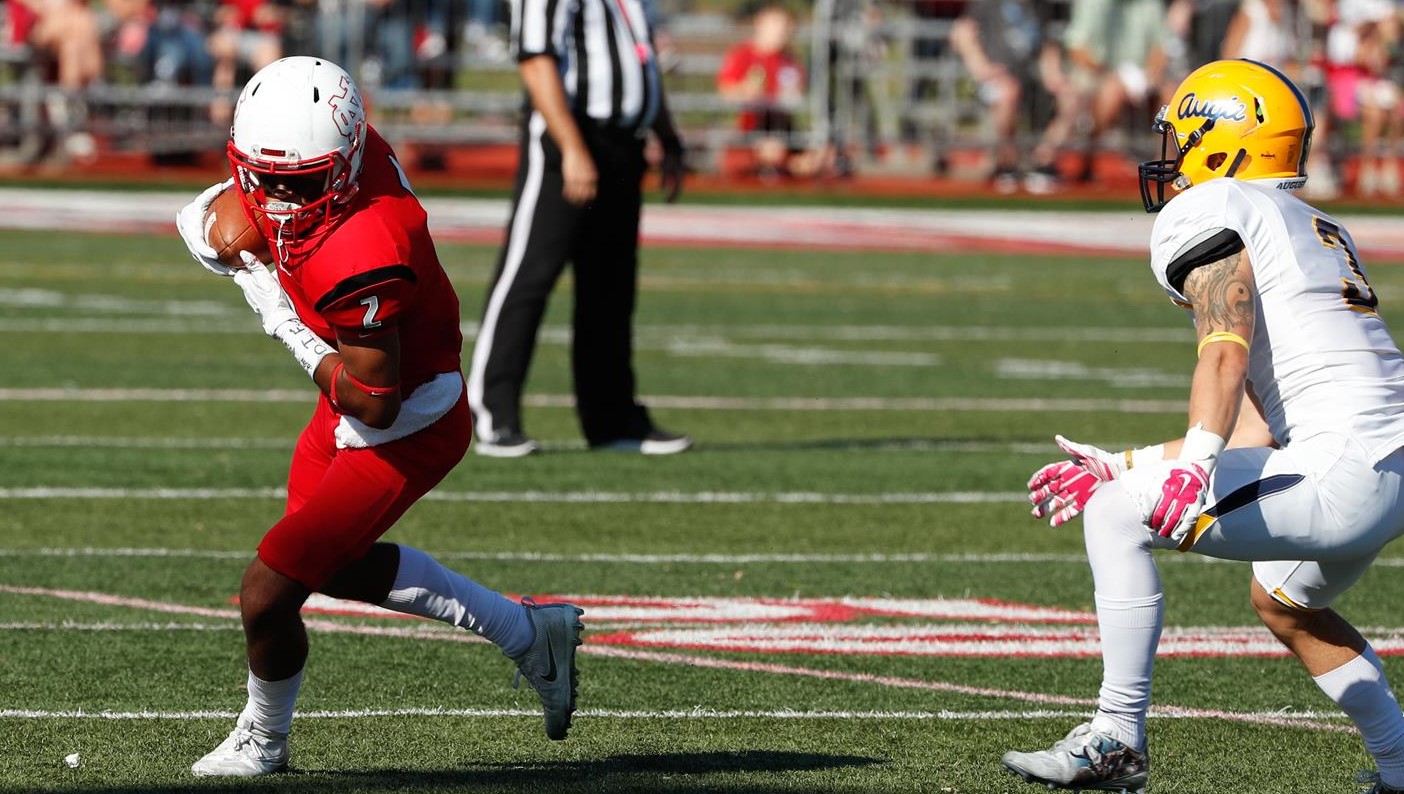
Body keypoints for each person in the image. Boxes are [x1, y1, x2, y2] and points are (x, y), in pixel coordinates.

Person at [173, 56, 583, 776]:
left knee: (267, 592)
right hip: (364, 401)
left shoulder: (365, 246)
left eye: (293, 185)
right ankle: (527, 631)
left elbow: (372, 398)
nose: (272, 201)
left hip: (408, 422)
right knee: (327, 568)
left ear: (341, 161)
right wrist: (217, 221)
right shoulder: (327, 153)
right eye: (257, 177)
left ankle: (263, 740)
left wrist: (280, 319)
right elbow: (225, 213)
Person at [1005, 58, 1404, 794]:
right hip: (1387, 466)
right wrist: (1123, 462)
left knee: (1115, 517)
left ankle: (1116, 738)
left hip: (1342, 469)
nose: (1173, 156)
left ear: (1223, 143)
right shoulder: (1312, 222)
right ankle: (1403, 764)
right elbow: (1257, 423)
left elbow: (1225, 354)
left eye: (1184, 136)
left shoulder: (1213, 207)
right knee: (1285, 600)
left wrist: (1182, 468)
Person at [466, 0, 691, 457]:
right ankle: (492, 410)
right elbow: (535, 58)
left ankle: (612, 418)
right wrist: (570, 146)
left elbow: (641, 58)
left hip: (623, 142)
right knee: (529, 275)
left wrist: (667, 135)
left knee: (611, 286)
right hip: (565, 137)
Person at [949, 0, 1078, 194]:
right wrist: (982, 68)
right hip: (994, 78)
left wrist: (1055, 77)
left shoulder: (1039, 7)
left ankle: (1043, 162)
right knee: (1008, 93)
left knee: (1071, 97)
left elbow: (1047, 47)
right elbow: (962, 33)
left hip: (1030, 77)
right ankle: (1007, 164)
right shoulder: (987, 4)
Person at [715, 4, 821, 180]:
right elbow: (727, 91)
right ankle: (779, 166)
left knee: (822, 157)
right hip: (750, 129)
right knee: (770, 153)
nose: (781, 32)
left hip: (783, 128)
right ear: (760, 24)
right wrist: (746, 90)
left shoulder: (789, 60)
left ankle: (787, 165)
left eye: (786, 27)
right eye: (775, 25)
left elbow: (795, 93)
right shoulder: (743, 55)